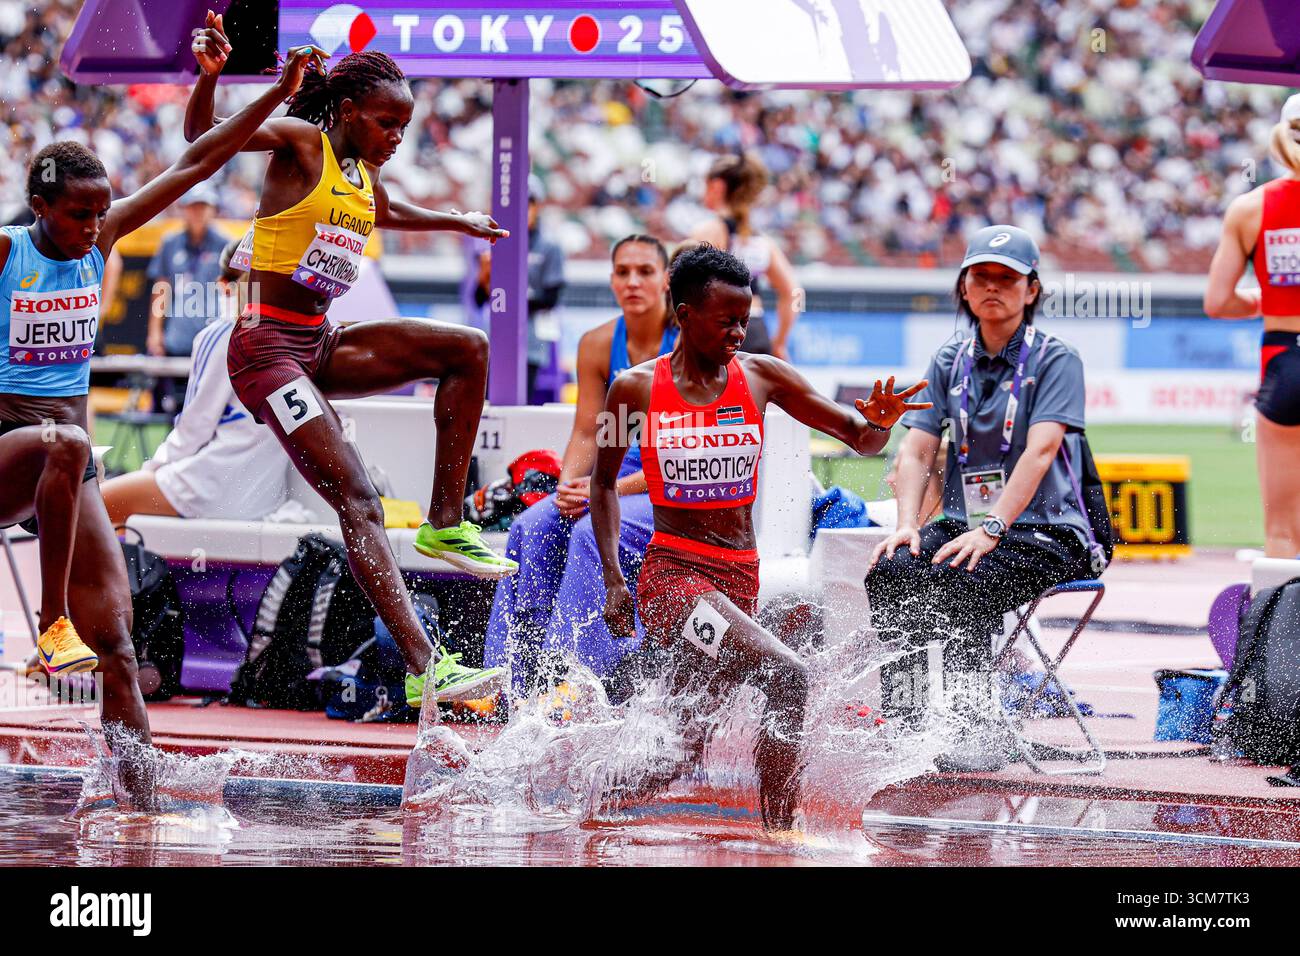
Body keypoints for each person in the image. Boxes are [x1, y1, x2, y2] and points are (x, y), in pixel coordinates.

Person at [0, 45, 326, 805]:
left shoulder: (103, 240)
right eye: (78, 214)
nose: (94, 225)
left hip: (66, 470)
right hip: (11, 454)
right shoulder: (8, 254)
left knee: (116, 642)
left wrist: (275, 90)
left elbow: (202, 161)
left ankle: (140, 802)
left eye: (101, 211)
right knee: (66, 442)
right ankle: (51, 628)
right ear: (41, 207)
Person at [185, 14, 513, 709]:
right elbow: (202, 139)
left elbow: (387, 210)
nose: (396, 138)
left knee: (467, 350)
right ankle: (427, 665)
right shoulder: (301, 144)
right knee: (357, 498)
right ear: (345, 110)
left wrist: (459, 222)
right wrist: (238, 84)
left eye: (404, 126)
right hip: (266, 351)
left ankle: (446, 520)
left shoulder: (360, 174)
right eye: (387, 124)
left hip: (317, 342)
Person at [591, 244, 928, 830]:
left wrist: (878, 420)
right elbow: (600, 486)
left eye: (745, 320)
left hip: (738, 577)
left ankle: (582, 808)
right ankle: (783, 834)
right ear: (685, 313)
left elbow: (861, 440)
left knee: (682, 748)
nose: (739, 332)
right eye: (726, 321)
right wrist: (615, 582)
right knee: (789, 676)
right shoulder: (633, 391)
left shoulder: (762, 376)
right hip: (673, 580)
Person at [865, 226, 1106, 773]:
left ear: (1032, 290)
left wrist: (993, 527)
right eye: (981, 277)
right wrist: (907, 522)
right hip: (965, 524)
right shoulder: (949, 358)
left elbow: (1042, 450)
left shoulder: (1056, 359)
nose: (993, 287)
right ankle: (908, 721)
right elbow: (919, 446)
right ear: (965, 288)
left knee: (962, 578)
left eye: (1007, 278)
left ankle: (973, 725)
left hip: (1051, 533)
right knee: (893, 569)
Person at [485, 234, 677, 695]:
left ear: (667, 279)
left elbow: (678, 459)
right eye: (623, 272)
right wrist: (569, 487)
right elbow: (589, 432)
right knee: (532, 525)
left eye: (645, 271)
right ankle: (511, 675)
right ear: (610, 280)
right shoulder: (597, 344)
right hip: (608, 476)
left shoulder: (686, 345)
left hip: (663, 484)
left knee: (594, 533)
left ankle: (578, 676)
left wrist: (599, 493)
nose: (633, 281)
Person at [101, 241, 290, 525]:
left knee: (85, 508)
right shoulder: (296, 336)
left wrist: (149, 471)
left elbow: (193, 431)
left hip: (211, 488)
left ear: (223, 286)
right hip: (266, 496)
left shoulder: (223, 334)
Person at [1205, 94, 1300, 558]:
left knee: (1283, 529)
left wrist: (1268, 299)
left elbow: (1218, 301)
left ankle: (1285, 630)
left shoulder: (1251, 208)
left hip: (1285, 360)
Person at [687, 154, 799, 361]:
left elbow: (683, 289)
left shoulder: (707, 232)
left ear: (717, 186)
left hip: (719, 336)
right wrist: (780, 343)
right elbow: (793, 293)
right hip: (756, 332)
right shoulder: (762, 240)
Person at [146, 182, 229, 361]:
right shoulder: (170, 243)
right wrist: (155, 332)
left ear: (213, 209)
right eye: (193, 207)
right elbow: (162, 289)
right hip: (178, 338)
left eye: (203, 207)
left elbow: (236, 292)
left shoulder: (226, 245)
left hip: (213, 339)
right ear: (184, 209)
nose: (198, 212)